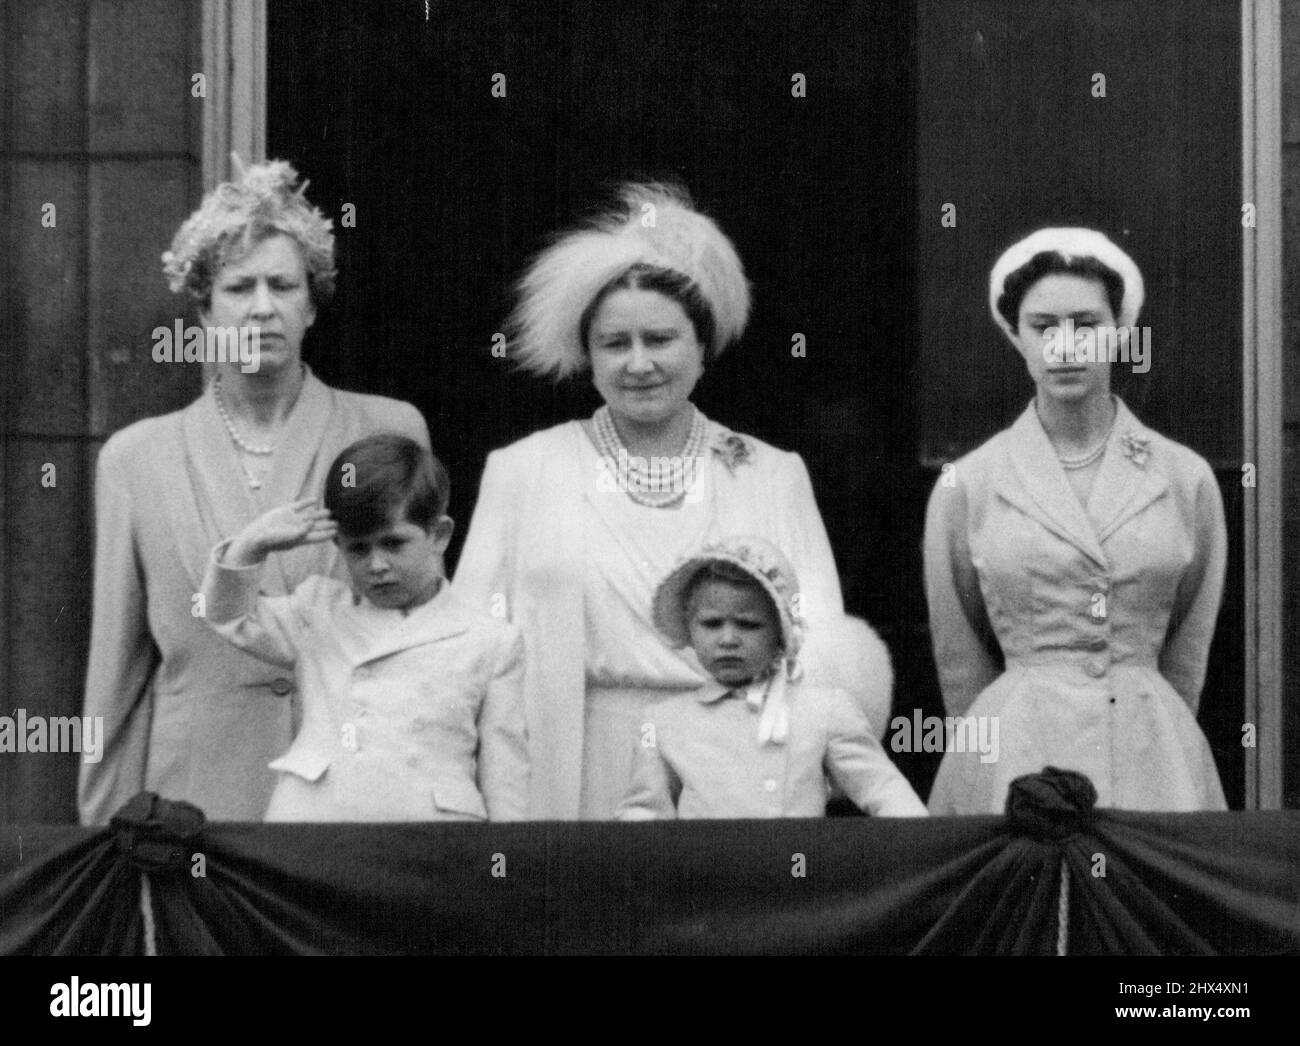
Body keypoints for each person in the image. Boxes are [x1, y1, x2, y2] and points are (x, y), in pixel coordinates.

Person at [454, 182, 889, 819]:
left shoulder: (771, 473)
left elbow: (818, 649)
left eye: (660, 339)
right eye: (614, 343)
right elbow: (468, 651)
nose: (638, 364)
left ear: (702, 345)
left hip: (730, 769)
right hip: (565, 765)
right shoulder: (523, 470)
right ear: (586, 354)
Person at [79, 160, 430, 825]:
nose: (262, 307)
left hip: (353, 792)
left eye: (283, 285)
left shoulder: (389, 427)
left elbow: (424, 633)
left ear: (312, 303)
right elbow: (115, 672)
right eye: (239, 287)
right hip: (192, 802)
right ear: (204, 308)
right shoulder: (136, 458)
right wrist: (107, 828)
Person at [923, 227, 1228, 814]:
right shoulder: (971, 482)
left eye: (1086, 325)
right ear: (1016, 336)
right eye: (1044, 327)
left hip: (1151, 752)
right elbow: (960, 652)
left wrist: (1151, 713)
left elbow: (1189, 647)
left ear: (1120, 332)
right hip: (1015, 753)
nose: (1065, 347)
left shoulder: (1183, 477)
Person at [198, 435, 527, 822]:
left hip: (430, 840)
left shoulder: (490, 641)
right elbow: (227, 615)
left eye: (393, 543)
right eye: (358, 548)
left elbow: (506, 779)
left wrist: (504, 868)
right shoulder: (318, 612)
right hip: (315, 828)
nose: (376, 565)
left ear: (438, 535)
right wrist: (251, 544)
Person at [617, 537, 926, 820]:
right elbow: (644, 823)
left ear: (781, 632)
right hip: (705, 877)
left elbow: (883, 790)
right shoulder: (664, 722)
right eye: (711, 623)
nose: (728, 639)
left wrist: (929, 844)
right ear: (690, 628)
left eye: (748, 624)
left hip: (796, 870)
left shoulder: (823, 711)